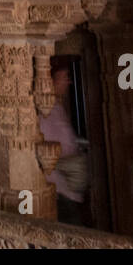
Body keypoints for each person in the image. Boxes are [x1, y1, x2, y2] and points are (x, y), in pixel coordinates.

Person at [39, 59, 89, 225]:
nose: (69, 81)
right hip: (58, 192)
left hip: (68, 191)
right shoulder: (44, 112)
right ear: (50, 80)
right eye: (64, 76)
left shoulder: (57, 108)